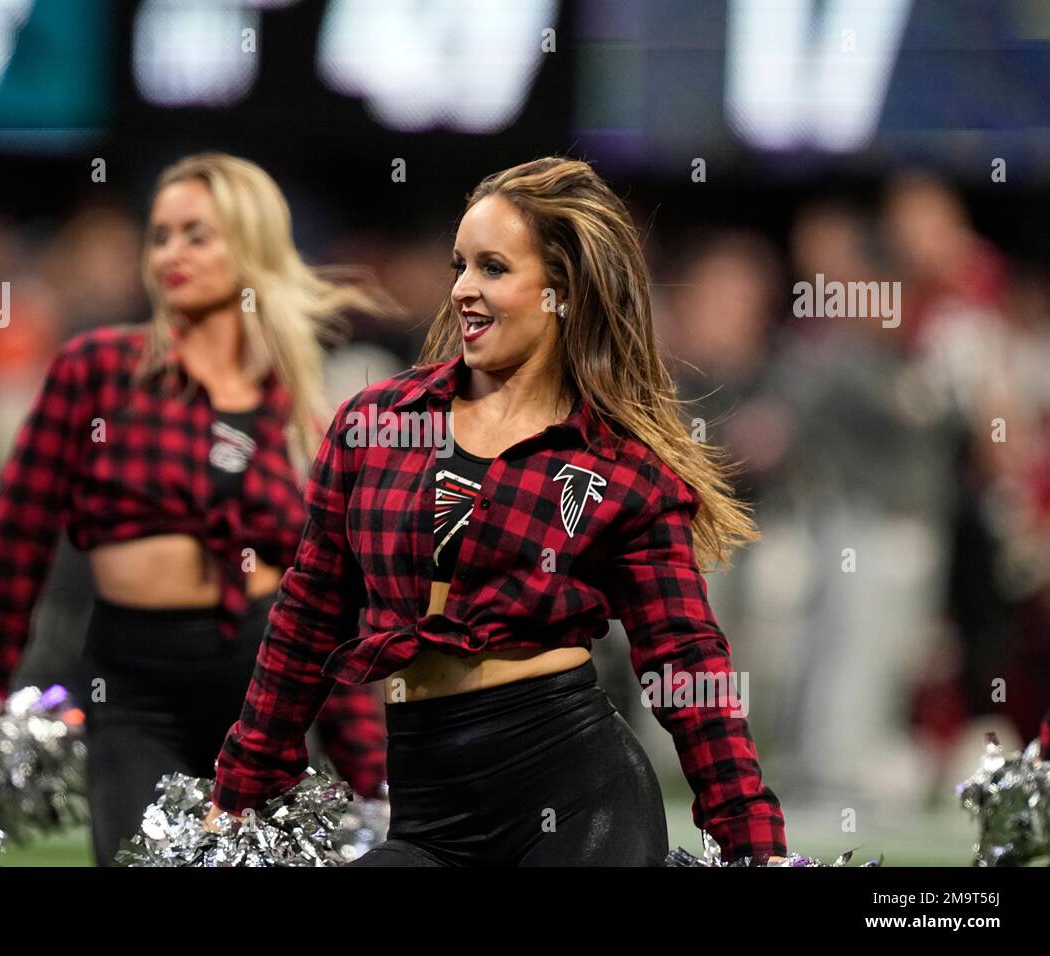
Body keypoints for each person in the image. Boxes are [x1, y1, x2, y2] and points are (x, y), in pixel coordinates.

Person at [207, 157, 787, 865]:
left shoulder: (621, 466)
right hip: (427, 814)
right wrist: (242, 788)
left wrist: (755, 847)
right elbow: (306, 617)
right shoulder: (376, 424)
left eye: (491, 268)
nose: (461, 290)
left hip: (580, 805)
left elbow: (687, 668)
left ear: (561, 291)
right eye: (459, 265)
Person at [0, 152, 394, 865]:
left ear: (250, 247)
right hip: (133, 687)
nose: (170, 254)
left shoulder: (298, 409)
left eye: (197, 234)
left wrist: (369, 776)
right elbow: (14, 537)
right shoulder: (98, 371)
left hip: (265, 691)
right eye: (159, 236)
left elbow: (322, 613)